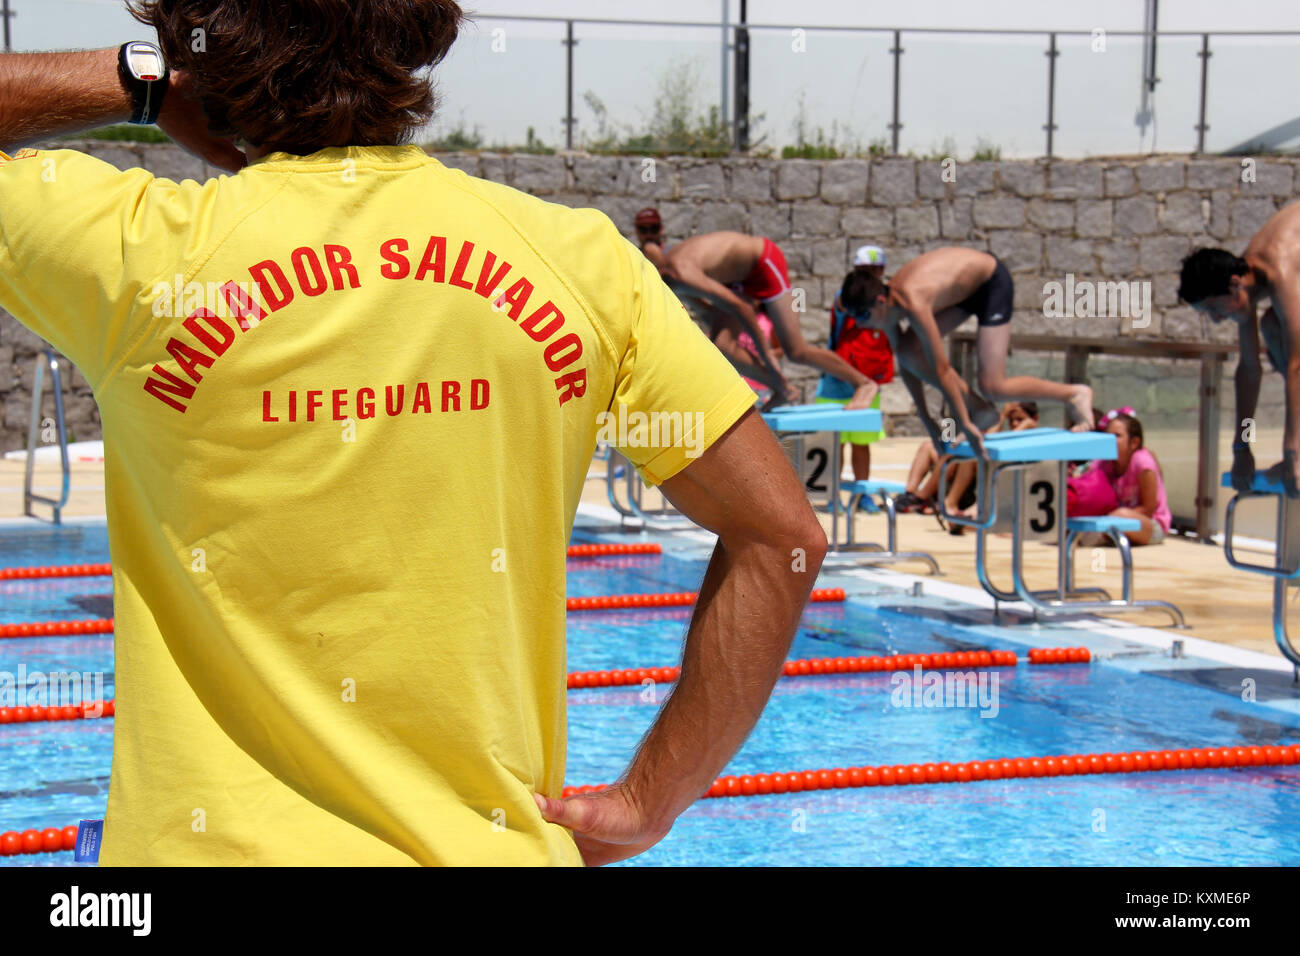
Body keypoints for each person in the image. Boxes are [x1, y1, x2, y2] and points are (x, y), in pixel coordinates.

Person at [0, 1, 828, 867]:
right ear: (417, 32)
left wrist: (149, 78)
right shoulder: (573, 260)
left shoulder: (140, 256)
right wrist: (651, 800)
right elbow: (780, 536)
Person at [842, 247, 1095, 458]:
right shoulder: (887, 311)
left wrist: (965, 423)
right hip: (964, 293)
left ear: (880, 302)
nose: (861, 324)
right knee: (909, 351)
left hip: (991, 283)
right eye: (854, 318)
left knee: (994, 386)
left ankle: (1074, 394)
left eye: (863, 316)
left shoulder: (914, 302)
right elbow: (907, 366)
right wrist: (927, 419)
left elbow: (941, 369)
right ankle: (982, 411)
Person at [662, 231, 880, 409]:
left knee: (796, 350)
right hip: (735, 278)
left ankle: (863, 383)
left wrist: (766, 355)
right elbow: (711, 314)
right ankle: (782, 389)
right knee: (722, 346)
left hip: (763, 263)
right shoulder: (667, 282)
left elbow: (742, 309)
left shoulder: (678, 275)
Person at [1180, 214, 1300, 497]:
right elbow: (1249, 371)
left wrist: (1292, 450)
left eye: (1214, 309)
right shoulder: (1244, 286)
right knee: (1273, 328)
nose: (1218, 320)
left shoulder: (1279, 268)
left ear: (1234, 284)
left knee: (1281, 333)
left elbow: (1298, 366)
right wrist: (1241, 447)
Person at [898, 402, 1039, 530]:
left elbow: (997, 442)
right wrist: (1001, 419)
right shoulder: (956, 416)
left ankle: (929, 499)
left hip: (1000, 476)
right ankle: (911, 494)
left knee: (956, 456)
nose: (1014, 424)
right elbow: (982, 439)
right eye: (1012, 420)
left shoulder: (1031, 429)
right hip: (977, 468)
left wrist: (1019, 423)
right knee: (928, 447)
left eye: (1019, 420)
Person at [815, 268, 896, 480]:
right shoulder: (848, 300)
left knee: (862, 444)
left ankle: (862, 496)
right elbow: (844, 301)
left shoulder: (881, 306)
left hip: (868, 385)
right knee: (835, 444)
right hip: (834, 387)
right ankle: (833, 497)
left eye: (878, 269)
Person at [1074, 410, 1171, 546]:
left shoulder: (1143, 463)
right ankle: (1098, 533)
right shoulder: (1104, 462)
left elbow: (1148, 509)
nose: (1110, 440)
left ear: (1134, 442)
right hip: (1113, 519)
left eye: (1117, 436)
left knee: (1120, 516)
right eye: (1107, 435)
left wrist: (1108, 518)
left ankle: (1095, 534)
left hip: (1150, 525)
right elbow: (1083, 480)